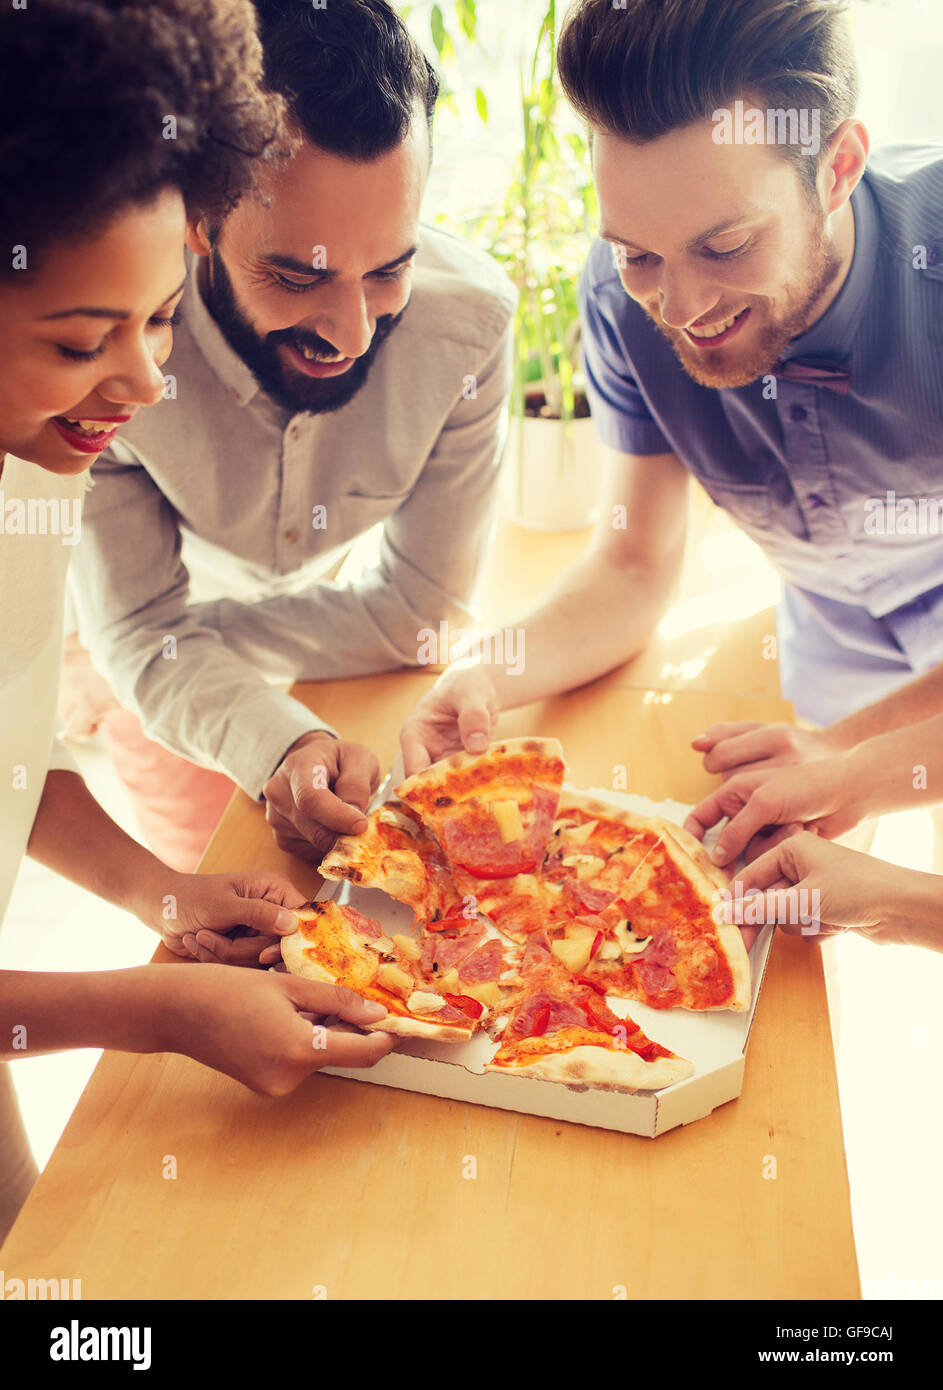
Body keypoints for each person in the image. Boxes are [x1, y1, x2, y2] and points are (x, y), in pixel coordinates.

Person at [0, 0, 393, 1248]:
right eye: (80, 340)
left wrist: (160, 895)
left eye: (162, 318)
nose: (144, 382)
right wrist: (159, 1011)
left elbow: (8, 757)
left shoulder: (41, 454)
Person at [397, 0, 943, 868]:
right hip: (821, 658)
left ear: (836, 167)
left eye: (724, 245)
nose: (679, 311)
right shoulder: (620, 305)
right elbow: (633, 564)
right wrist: (484, 674)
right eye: (638, 253)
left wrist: (856, 755)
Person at [66, 0, 517, 871]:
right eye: (295, 275)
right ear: (197, 222)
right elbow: (140, 644)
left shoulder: (470, 330)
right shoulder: (111, 349)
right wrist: (157, 665)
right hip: (150, 701)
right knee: (208, 906)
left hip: (305, 665)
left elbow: (422, 618)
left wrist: (157, 643)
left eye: (390, 268)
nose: (350, 333)